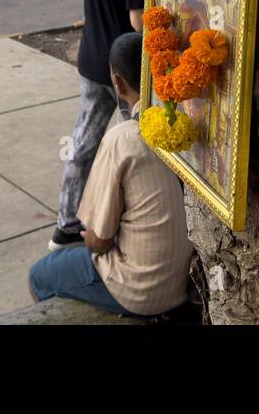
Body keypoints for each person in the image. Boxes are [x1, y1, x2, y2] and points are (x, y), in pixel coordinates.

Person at [29, 32, 193, 317]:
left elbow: (100, 240)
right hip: (185, 282)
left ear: (117, 82)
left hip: (140, 291)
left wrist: (88, 236)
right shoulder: (181, 123)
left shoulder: (122, 139)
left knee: (41, 274)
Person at [51, 0, 145, 249]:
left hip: (91, 62)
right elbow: (137, 23)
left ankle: (66, 222)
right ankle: (126, 219)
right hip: (122, 69)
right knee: (131, 148)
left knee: (83, 143)